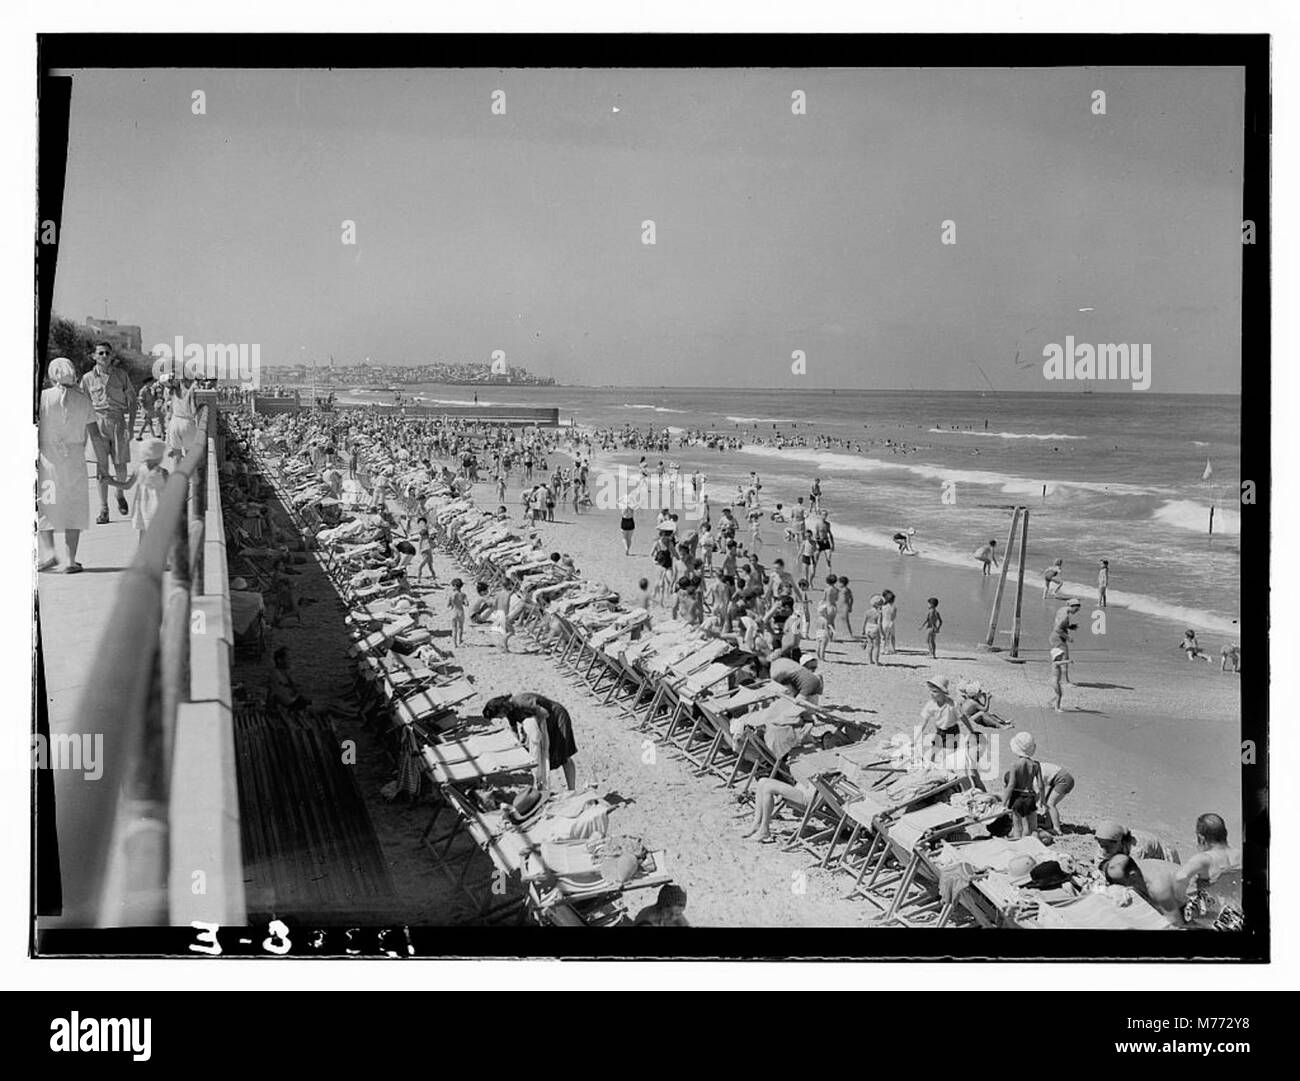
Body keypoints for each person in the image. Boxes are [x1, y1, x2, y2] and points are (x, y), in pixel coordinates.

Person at [37, 358, 96, 573]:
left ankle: (50, 553)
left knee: (46, 505)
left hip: (47, 460)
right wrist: (102, 466)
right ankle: (71, 560)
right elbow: (95, 435)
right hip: (75, 461)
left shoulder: (42, 398)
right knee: (74, 506)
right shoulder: (83, 400)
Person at [81, 342, 136, 523]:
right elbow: (83, 405)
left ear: (112, 356)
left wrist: (130, 426)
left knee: (121, 468)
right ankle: (103, 509)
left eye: (107, 353)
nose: (104, 356)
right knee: (101, 469)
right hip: (97, 422)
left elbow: (133, 401)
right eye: (101, 353)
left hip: (118, 421)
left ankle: (119, 493)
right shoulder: (88, 378)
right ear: (94, 356)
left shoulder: (121, 375)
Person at [482, 692, 579, 792]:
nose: (501, 718)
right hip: (546, 722)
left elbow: (544, 713)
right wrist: (519, 744)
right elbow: (514, 729)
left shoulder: (521, 702)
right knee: (547, 756)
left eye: (499, 716)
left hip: (557, 716)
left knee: (564, 755)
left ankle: (572, 788)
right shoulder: (510, 711)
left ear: (501, 708)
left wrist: (536, 732)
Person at [1174, 813, 1243, 929]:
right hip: (1236, 917)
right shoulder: (1240, 854)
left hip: (1212, 921)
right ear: (1225, 833)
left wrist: (1182, 901)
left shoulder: (1205, 858)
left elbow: (1180, 877)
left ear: (1201, 838)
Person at [101, 438, 169, 547]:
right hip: (158, 505)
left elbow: (127, 486)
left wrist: (111, 482)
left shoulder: (139, 469)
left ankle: (143, 556)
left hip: (142, 505)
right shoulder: (163, 472)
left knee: (144, 531)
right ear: (158, 457)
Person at [1002, 732, 1043, 839]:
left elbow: (1010, 786)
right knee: (1033, 828)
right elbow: (1040, 785)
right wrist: (1041, 800)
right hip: (1030, 797)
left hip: (1017, 797)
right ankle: (1035, 847)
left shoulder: (1015, 765)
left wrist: (1004, 802)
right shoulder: (1035, 765)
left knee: (1017, 828)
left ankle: (1019, 848)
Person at [1094, 820, 1181, 865]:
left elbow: (1135, 873)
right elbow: (1100, 863)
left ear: (1119, 841)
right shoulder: (1105, 841)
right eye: (1101, 845)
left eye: (1107, 846)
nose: (1103, 849)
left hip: (1165, 856)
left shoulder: (1138, 848)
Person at [1038, 758, 1075, 834]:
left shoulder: (1036, 773)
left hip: (1064, 780)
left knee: (1050, 804)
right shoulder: (1037, 767)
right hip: (1059, 780)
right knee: (1048, 801)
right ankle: (1048, 824)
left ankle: (1057, 829)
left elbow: (1039, 789)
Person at [1050, 598, 1080, 681]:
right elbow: (1058, 629)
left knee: (1058, 658)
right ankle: (1065, 681)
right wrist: (1068, 637)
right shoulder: (1065, 616)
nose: (1077, 611)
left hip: (1054, 637)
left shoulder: (1062, 609)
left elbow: (1059, 623)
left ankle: (1057, 678)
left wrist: (1069, 626)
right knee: (1065, 659)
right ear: (1072, 606)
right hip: (1058, 638)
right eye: (1076, 609)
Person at [861, 594, 883, 664]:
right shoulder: (879, 613)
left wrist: (863, 630)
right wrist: (882, 633)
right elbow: (879, 623)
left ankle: (870, 660)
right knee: (877, 646)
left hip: (868, 628)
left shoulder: (867, 612)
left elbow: (864, 622)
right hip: (875, 628)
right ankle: (876, 661)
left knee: (870, 645)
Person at [447, 578, 467, 647]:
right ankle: (460, 640)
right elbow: (467, 604)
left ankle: (454, 643)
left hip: (453, 611)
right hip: (461, 612)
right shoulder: (463, 594)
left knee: (454, 628)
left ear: (455, 586)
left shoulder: (451, 595)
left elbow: (448, 605)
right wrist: (462, 602)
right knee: (460, 627)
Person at [1049, 646, 1069, 711]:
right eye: (1060, 656)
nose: (1061, 657)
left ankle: (1051, 702)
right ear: (1056, 657)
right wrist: (1067, 661)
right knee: (1059, 695)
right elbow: (1060, 662)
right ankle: (1057, 708)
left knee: (1059, 694)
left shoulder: (1056, 663)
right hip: (1055, 682)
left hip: (1055, 682)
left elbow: (1060, 662)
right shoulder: (1055, 663)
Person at [878, 587, 896, 653]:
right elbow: (894, 616)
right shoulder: (894, 607)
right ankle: (893, 649)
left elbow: (880, 616)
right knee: (892, 637)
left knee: (883, 637)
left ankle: (883, 649)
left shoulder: (882, 607)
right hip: (891, 623)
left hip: (884, 623)